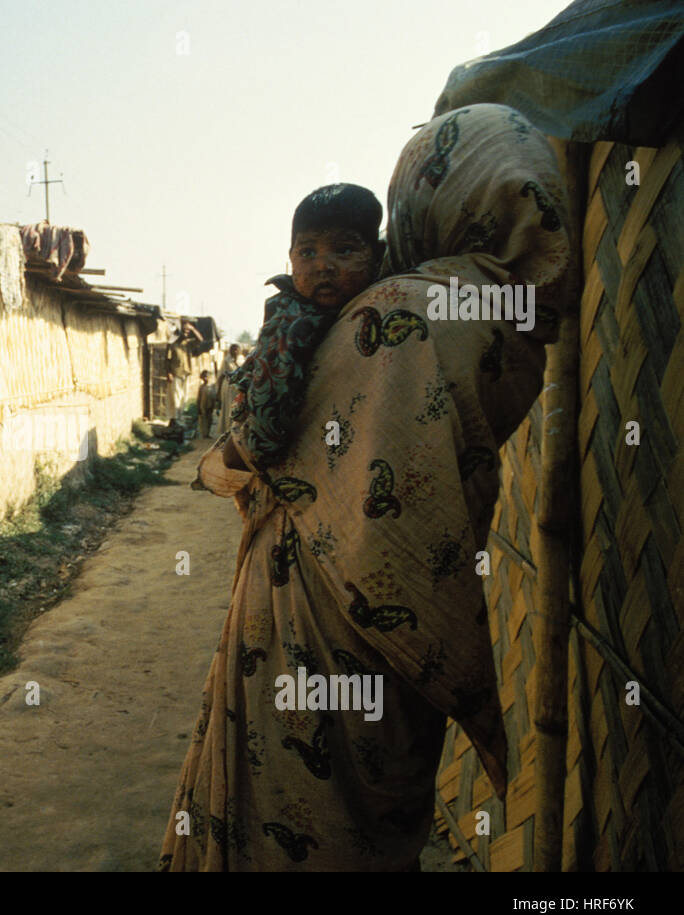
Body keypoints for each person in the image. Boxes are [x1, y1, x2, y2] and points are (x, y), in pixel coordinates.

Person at [161, 104, 576, 870]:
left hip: (317, 609)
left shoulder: (399, 311)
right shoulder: (510, 318)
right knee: (375, 809)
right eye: (308, 253)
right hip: (412, 617)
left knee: (297, 804)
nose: (322, 266)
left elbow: (276, 454)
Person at [224, 184, 383, 466]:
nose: (323, 266)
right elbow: (265, 416)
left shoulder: (385, 305)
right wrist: (250, 450)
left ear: (378, 254)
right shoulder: (292, 322)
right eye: (308, 252)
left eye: (344, 250)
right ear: (291, 257)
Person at [215, 343, 241, 435]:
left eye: (236, 349)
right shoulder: (226, 360)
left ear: (239, 350)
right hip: (228, 387)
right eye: (232, 349)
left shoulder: (243, 360)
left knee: (238, 407)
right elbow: (221, 376)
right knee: (228, 408)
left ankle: (236, 430)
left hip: (239, 388)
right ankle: (227, 430)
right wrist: (218, 391)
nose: (234, 351)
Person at [196, 370, 219, 440]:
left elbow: (215, 396)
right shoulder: (201, 387)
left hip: (210, 405)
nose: (205, 379)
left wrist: (215, 404)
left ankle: (207, 433)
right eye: (204, 377)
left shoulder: (212, 386)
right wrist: (198, 407)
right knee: (203, 419)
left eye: (206, 377)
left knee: (209, 419)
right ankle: (204, 434)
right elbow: (199, 398)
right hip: (203, 405)